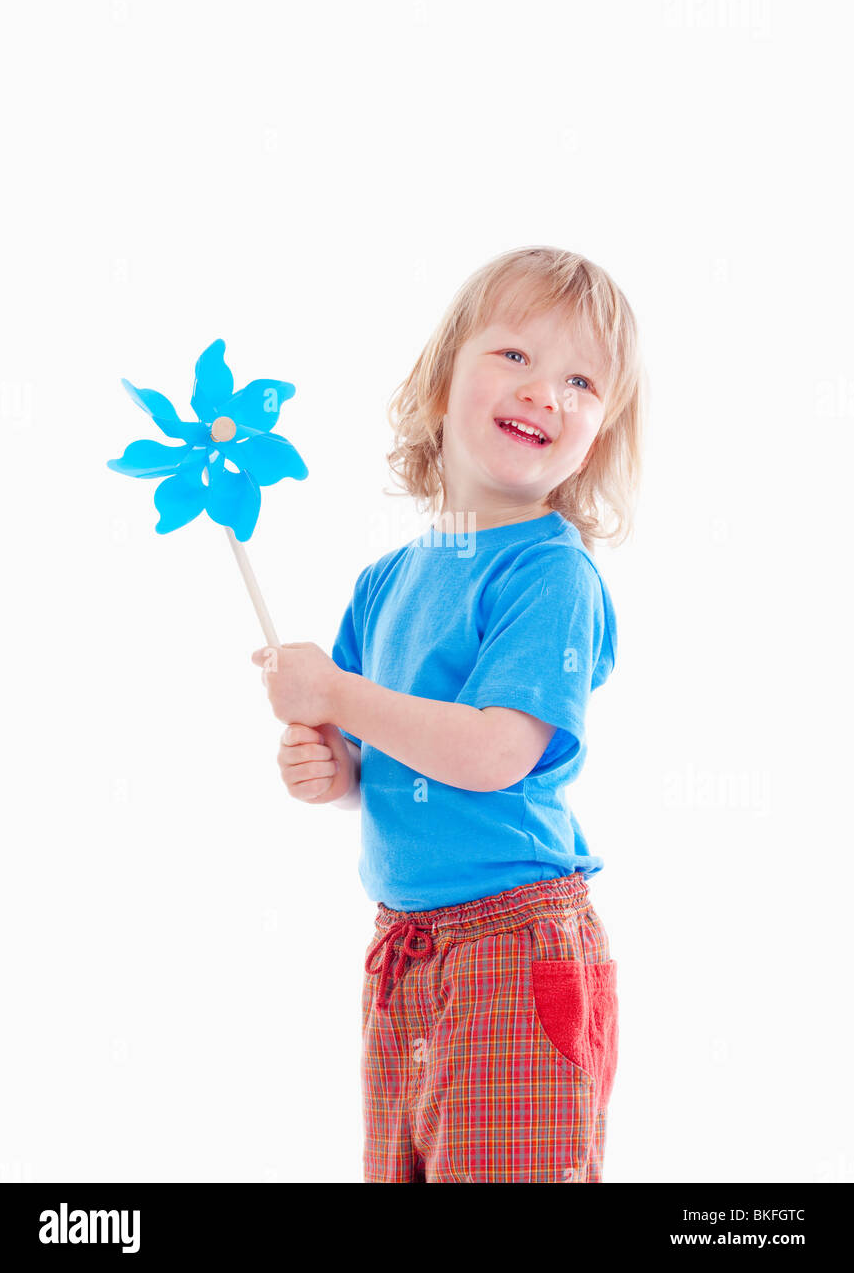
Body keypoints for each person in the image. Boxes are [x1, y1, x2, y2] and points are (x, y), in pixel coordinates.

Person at [252, 245, 646, 1182]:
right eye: (516, 357)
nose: (546, 391)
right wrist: (331, 769)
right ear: (439, 387)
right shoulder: (386, 581)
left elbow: (496, 753)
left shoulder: (550, 573)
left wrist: (337, 694)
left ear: (599, 432)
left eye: (582, 380)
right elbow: (374, 758)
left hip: (515, 945)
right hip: (405, 946)